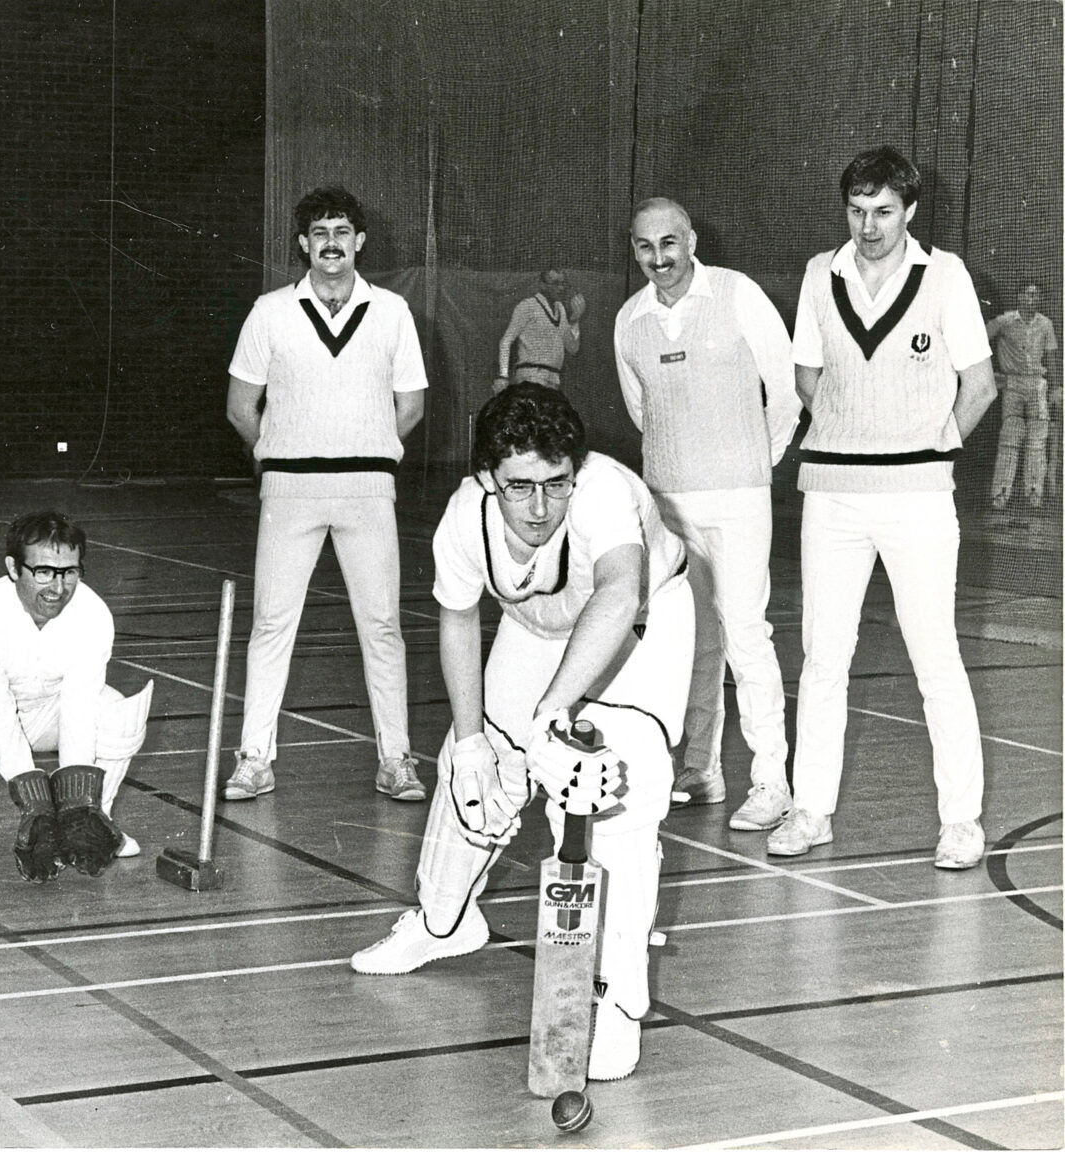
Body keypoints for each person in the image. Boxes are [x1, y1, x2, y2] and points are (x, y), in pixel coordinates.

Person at [350, 383, 694, 1083]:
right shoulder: (463, 520)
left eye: (555, 485)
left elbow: (619, 594)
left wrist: (552, 717)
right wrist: (475, 737)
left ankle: (621, 1003)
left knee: (614, 791)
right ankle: (444, 923)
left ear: (576, 469)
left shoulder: (605, 493)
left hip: (639, 630)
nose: (539, 509)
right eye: (519, 488)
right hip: (535, 629)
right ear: (486, 477)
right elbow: (456, 619)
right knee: (471, 768)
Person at [776, 146, 996, 868]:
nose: (868, 226)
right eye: (856, 210)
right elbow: (807, 375)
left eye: (882, 212)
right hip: (832, 494)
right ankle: (810, 810)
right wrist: (851, 431)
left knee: (935, 657)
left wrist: (932, 445)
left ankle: (961, 821)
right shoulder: (818, 275)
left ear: (909, 211)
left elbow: (981, 384)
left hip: (919, 500)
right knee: (822, 659)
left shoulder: (947, 276)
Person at [223, 186, 427, 803]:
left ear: (359, 241)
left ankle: (396, 761)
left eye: (341, 232)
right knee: (271, 624)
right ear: (303, 244)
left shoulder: (392, 311)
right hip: (290, 490)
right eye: (318, 234)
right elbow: (240, 407)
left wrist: (364, 450)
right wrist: (280, 457)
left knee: (383, 626)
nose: (331, 244)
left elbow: (410, 406)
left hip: (367, 491)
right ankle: (255, 759)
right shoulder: (270, 311)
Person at [613, 197, 801, 832]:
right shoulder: (628, 320)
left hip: (741, 496)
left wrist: (756, 462)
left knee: (747, 633)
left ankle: (771, 781)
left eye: (670, 242)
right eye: (646, 247)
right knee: (689, 641)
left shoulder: (739, 294)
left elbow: (786, 392)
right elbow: (644, 409)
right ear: (634, 250)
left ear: (691, 238)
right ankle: (702, 767)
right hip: (668, 502)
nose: (660, 258)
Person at [0, 511, 153, 881]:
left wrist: (75, 806)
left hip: (49, 713)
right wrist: (36, 804)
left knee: (115, 714)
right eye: (43, 571)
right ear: (14, 568)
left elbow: (78, 705)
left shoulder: (93, 615)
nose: (57, 588)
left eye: (69, 572)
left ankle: (92, 823)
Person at [987, 282, 1058, 510]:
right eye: (1028, 294)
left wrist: (1056, 389)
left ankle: (1035, 492)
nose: (1033, 298)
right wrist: (989, 373)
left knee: (1037, 441)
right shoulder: (1005, 321)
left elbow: (1052, 358)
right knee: (1010, 438)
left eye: (1037, 295)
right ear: (1019, 297)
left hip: (1037, 385)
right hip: (1013, 385)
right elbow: (979, 339)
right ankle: (1001, 493)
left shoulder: (1045, 324)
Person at [495, 268, 587, 393]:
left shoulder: (560, 309)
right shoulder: (528, 306)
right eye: (555, 283)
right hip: (530, 378)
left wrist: (575, 320)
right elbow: (506, 341)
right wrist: (503, 376)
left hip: (554, 380)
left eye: (563, 283)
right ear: (542, 285)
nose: (561, 288)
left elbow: (572, 348)